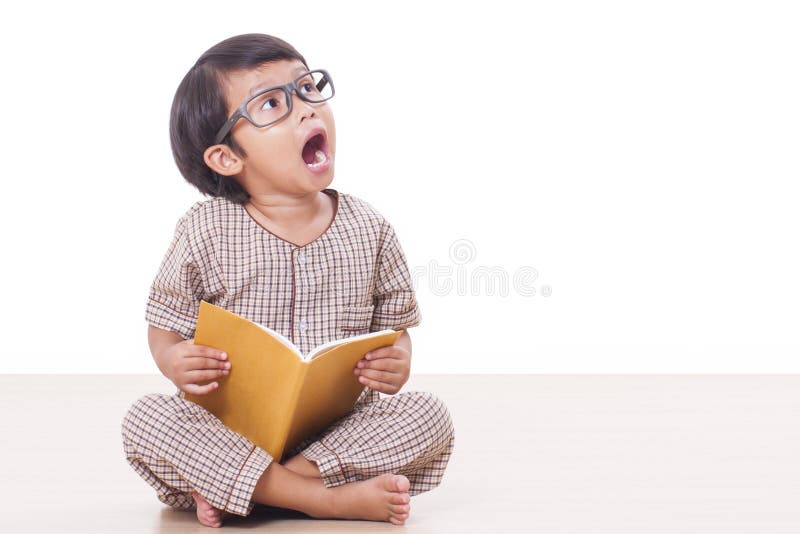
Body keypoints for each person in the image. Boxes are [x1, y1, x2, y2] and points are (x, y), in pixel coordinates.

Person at [120, 33, 455, 528]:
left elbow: (395, 331)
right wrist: (173, 359)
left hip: (335, 437)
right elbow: (165, 328)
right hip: (224, 432)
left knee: (430, 416)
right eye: (273, 102)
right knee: (145, 420)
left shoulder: (371, 228)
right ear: (228, 158)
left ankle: (261, 489)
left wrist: (397, 360)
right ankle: (319, 499)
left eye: (307, 87)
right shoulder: (206, 229)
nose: (306, 109)